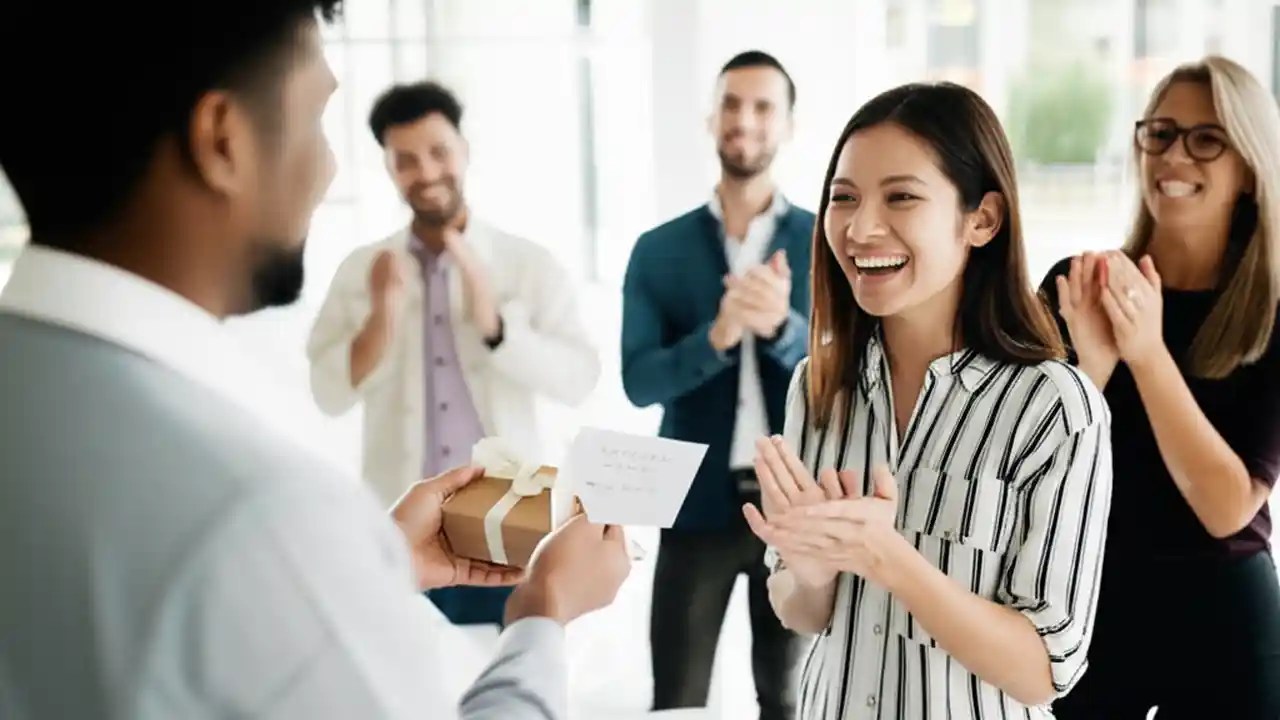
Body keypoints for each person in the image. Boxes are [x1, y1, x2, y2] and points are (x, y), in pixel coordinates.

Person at [0, 3, 629, 718]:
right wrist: (544, 615)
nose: (329, 168)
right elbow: (328, 392)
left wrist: (370, 564)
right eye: (315, 119)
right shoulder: (259, 510)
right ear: (222, 140)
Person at [743, 82, 1113, 719]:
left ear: (983, 219)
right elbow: (801, 612)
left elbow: (1044, 672)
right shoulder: (818, 386)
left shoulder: (1055, 409)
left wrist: (887, 559)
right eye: (844, 199)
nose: (860, 229)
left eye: (902, 198)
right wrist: (810, 569)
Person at [306, 80, 601, 627]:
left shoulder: (526, 263)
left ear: (464, 150)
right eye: (406, 160)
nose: (426, 172)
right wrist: (380, 317)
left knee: (507, 681)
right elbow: (326, 394)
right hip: (403, 526)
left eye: (439, 152)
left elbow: (579, 378)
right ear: (389, 169)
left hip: (508, 523)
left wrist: (496, 326)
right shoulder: (363, 271)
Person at [1043, 56, 1280, 720]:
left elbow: (1228, 508)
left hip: (1225, 617)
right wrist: (1088, 375)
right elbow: (1026, 471)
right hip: (1089, 601)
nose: (1176, 155)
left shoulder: (1271, 312)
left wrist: (1146, 354)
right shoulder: (1077, 286)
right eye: (1161, 132)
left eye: (1207, 138)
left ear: (1249, 171)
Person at [620, 49, 813, 719]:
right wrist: (719, 336)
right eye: (732, 103)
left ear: (788, 124)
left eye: (763, 107)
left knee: (788, 700)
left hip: (795, 509)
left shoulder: (824, 243)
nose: (745, 120)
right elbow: (639, 381)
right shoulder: (657, 249)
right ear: (710, 118)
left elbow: (849, 380)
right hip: (693, 505)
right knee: (676, 699)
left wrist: (783, 330)